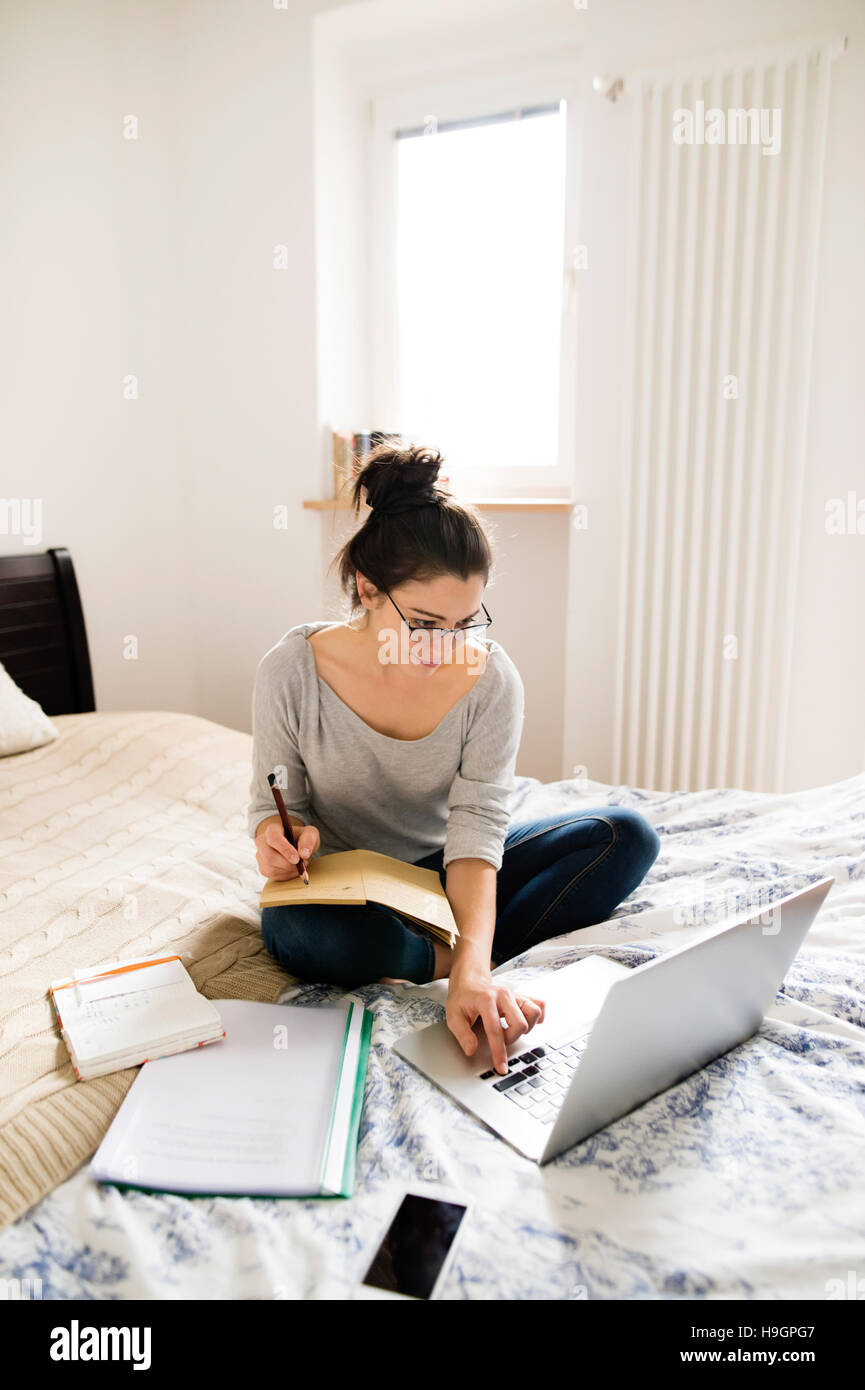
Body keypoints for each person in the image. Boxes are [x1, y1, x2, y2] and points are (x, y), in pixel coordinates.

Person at [249, 440, 660, 1077]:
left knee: (626, 837)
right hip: (350, 894)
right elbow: (276, 805)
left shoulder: (492, 681)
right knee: (297, 933)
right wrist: (276, 836)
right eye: (424, 622)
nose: (447, 648)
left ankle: (459, 956)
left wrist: (468, 965)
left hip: (447, 872)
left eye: (466, 622)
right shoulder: (290, 672)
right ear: (366, 587)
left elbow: (477, 830)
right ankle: (470, 953)